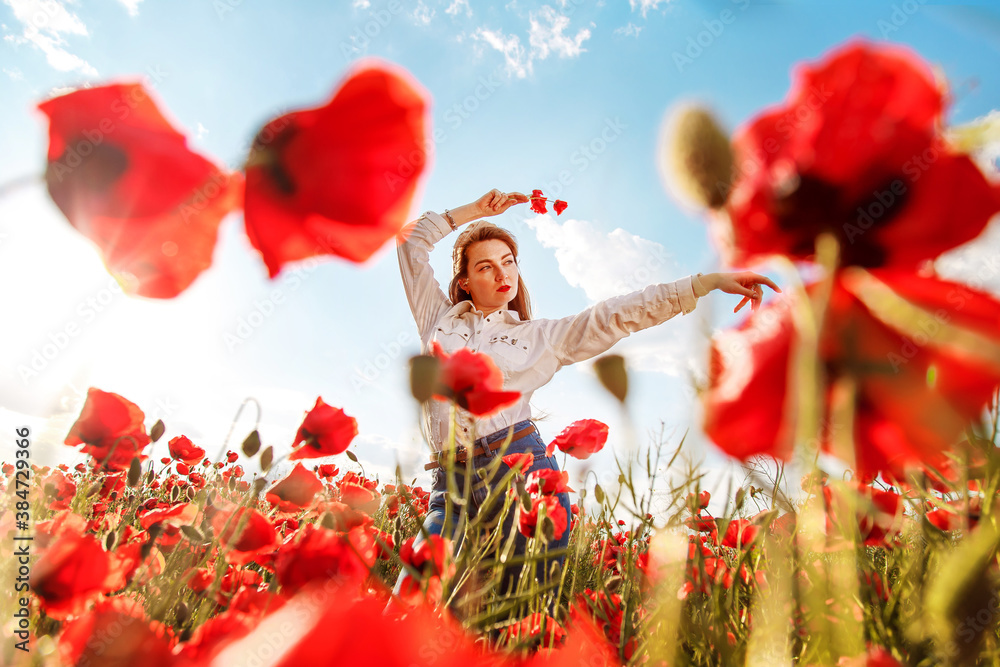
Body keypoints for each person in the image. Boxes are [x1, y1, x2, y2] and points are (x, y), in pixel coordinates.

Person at [393, 187, 779, 607]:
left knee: (513, 614)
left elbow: (613, 314)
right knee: (411, 598)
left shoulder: (542, 337)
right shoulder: (437, 317)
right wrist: (475, 211)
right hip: (448, 482)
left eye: (509, 262)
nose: (503, 274)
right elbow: (411, 242)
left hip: (519, 476)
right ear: (464, 281)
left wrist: (703, 284)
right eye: (486, 267)